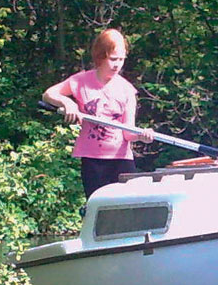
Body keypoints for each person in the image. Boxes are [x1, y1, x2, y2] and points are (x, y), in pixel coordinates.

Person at [43, 28, 154, 200]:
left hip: (121, 160)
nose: (117, 65)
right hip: (93, 160)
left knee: (127, 206)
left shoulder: (127, 90)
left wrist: (142, 135)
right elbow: (48, 94)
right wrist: (68, 103)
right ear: (100, 56)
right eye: (113, 59)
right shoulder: (81, 81)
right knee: (97, 206)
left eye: (121, 59)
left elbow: (128, 133)